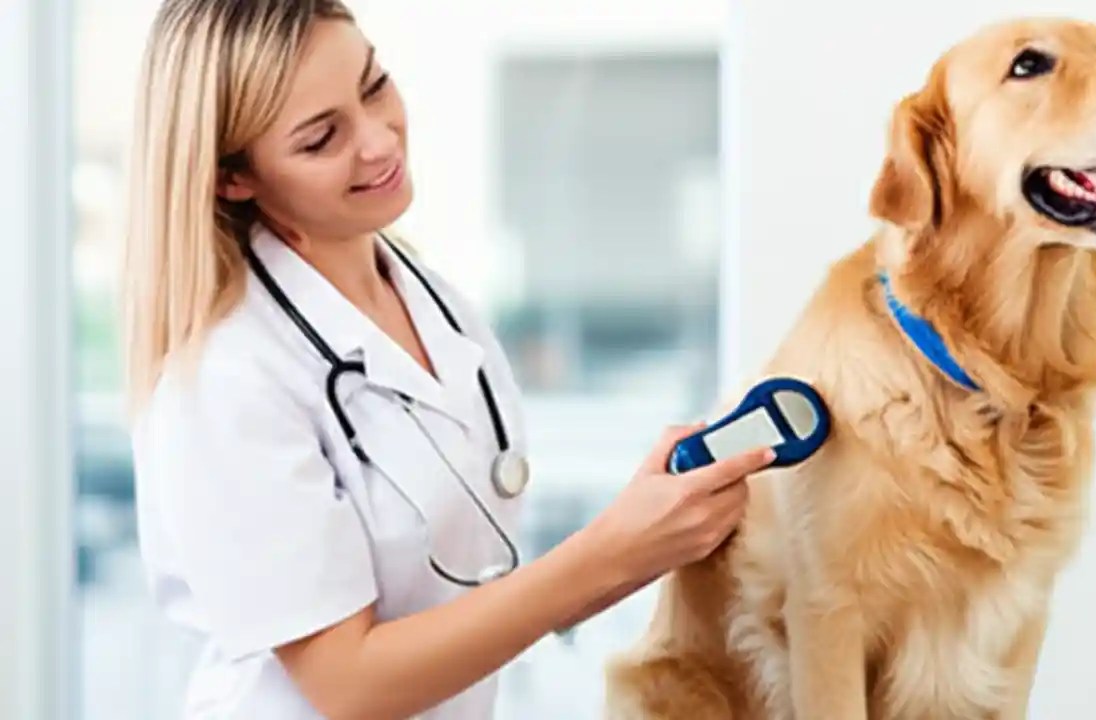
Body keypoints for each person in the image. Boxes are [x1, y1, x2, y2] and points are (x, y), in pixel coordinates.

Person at [121, 1, 773, 719]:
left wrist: (646, 534)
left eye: (374, 86)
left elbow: (472, 586)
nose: (379, 142)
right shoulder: (228, 376)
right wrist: (609, 553)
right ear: (232, 178)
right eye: (322, 138)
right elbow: (346, 684)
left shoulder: (428, 297)